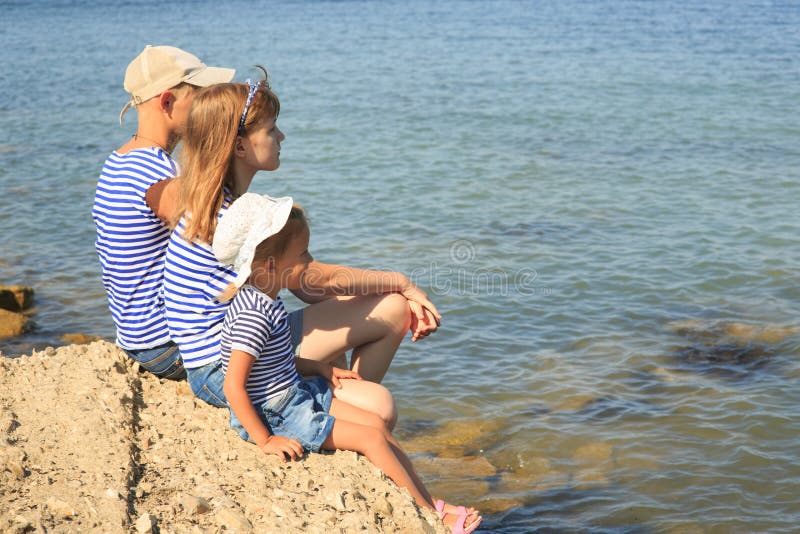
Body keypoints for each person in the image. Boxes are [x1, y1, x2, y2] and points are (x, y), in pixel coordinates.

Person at [163, 74, 440, 423]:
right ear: (239, 147)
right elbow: (311, 283)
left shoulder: (208, 204)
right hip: (233, 362)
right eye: (271, 129)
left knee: (383, 308)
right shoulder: (231, 216)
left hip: (226, 351)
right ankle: (344, 415)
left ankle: (341, 403)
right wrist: (401, 282)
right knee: (393, 317)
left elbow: (309, 286)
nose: (281, 136)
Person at [213, 192, 481, 534]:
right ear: (270, 265)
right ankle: (431, 516)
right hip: (278, 413)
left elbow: (275, 363)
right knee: (372, 440)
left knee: (376, 424)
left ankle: (430, 502)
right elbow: (233, 385)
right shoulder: (254, 314)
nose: (310, 261)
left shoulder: (265, 300)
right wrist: (265, 440)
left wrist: (320, 368)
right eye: (303, 254)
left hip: (293, 393)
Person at [92, 45, 234, 379]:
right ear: (167, 102)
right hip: (170, 346)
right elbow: (219, 242)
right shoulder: (159, 175)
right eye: (200, 97)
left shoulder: (119, 162)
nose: (209, 107)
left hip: (138, 337)